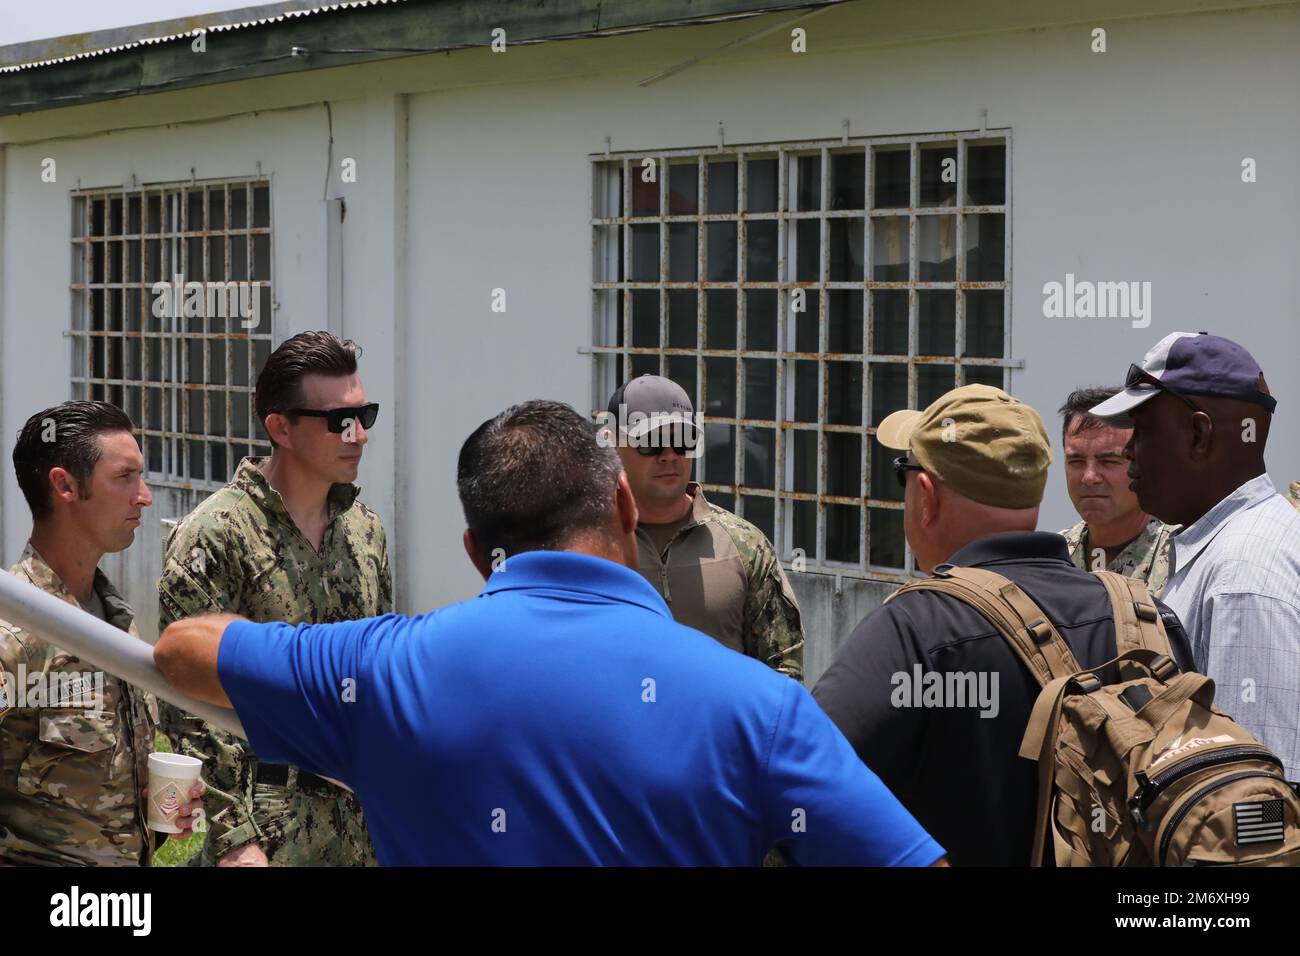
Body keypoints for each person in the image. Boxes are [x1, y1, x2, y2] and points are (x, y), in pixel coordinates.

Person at [154, 400, 945, 867]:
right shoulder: (761, 710)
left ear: (475, 551)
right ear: (626, 512)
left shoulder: (378, 671)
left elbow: (183, 650)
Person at [812, 385, 1195, 866]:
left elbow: (800, 784)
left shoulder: (915, 628)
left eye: (904, 476)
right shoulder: (1147, 618)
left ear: (925, 496)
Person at [158, 331, 391, 867]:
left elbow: (375, 670)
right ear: (280, 427)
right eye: (339, 421)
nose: (358, 435)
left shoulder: (365, 530)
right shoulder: (216, 534)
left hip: (358, 822)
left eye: (365, 415)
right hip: (270, 826)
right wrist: (236, 841)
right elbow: (190, 705)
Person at [1090, 331, 1300, 779]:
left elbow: (1257, 793)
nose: (1128, 450)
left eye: (1142, 432)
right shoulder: (1238, 543)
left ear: (1199, 434)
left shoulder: (1242, 574)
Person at [0, 401, 201, 865]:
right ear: (64, 485)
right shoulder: (15, 637)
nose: (145, 496)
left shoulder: (115, 623)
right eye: (124, 477)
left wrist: (160, 812)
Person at [602, 374, 803, 680]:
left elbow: (783, 670)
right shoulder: (591, 544)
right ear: (615, 446)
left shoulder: (744, 546)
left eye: (682, 441)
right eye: (650, 442)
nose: (669, 455)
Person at [1057, 387, 1173, 593]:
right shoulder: (1053, 557)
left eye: (1108, 461)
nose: (1089, 477)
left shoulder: (1181, 559)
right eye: (1076, 461)